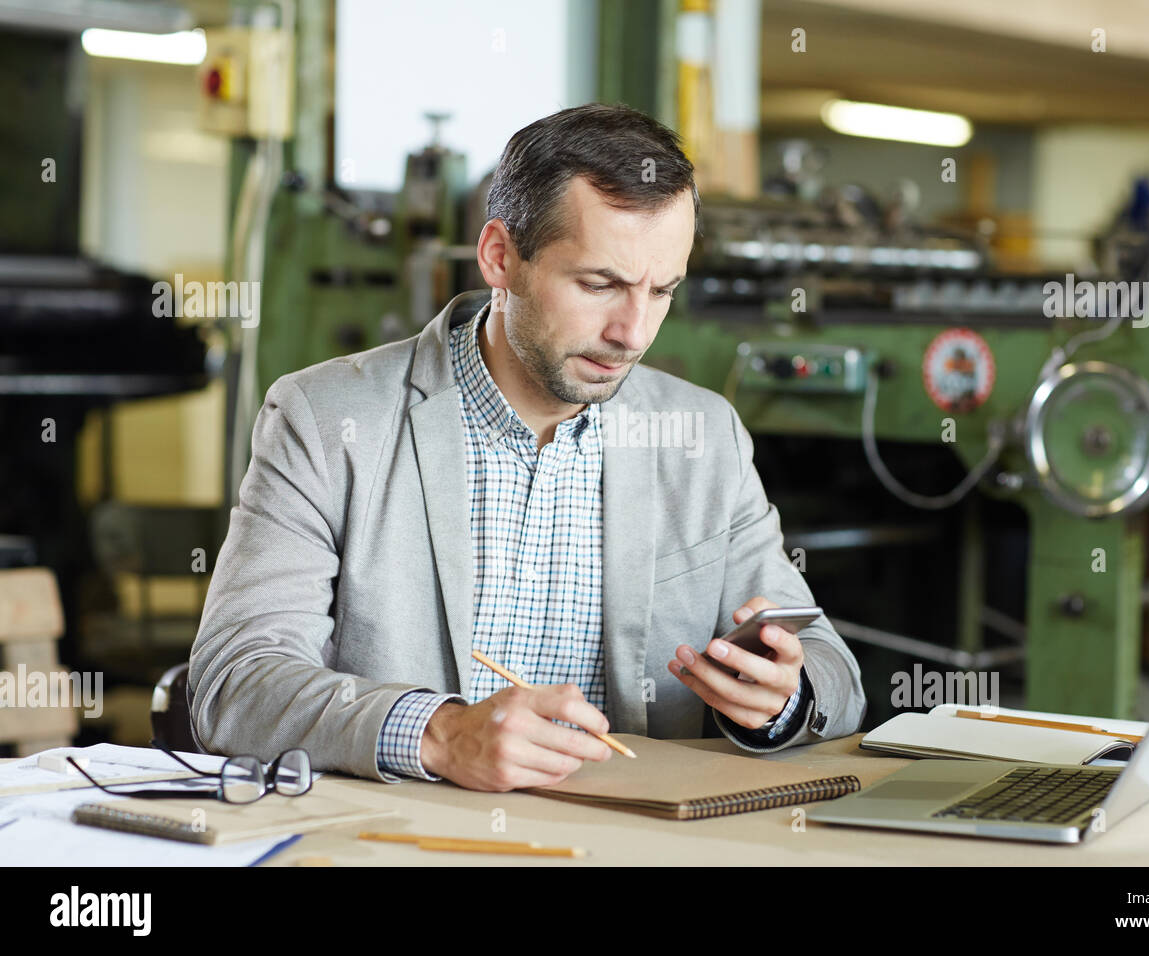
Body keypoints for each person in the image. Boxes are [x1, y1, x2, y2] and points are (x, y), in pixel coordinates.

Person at [190, 103, 867, 792]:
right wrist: (441, 733)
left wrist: (783, 700)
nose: (633, 333)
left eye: (661, 291)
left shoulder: (702, 435)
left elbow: (832, 671)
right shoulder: (326, 419)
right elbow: (235, 680)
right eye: (599, 284)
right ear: (500, 257)